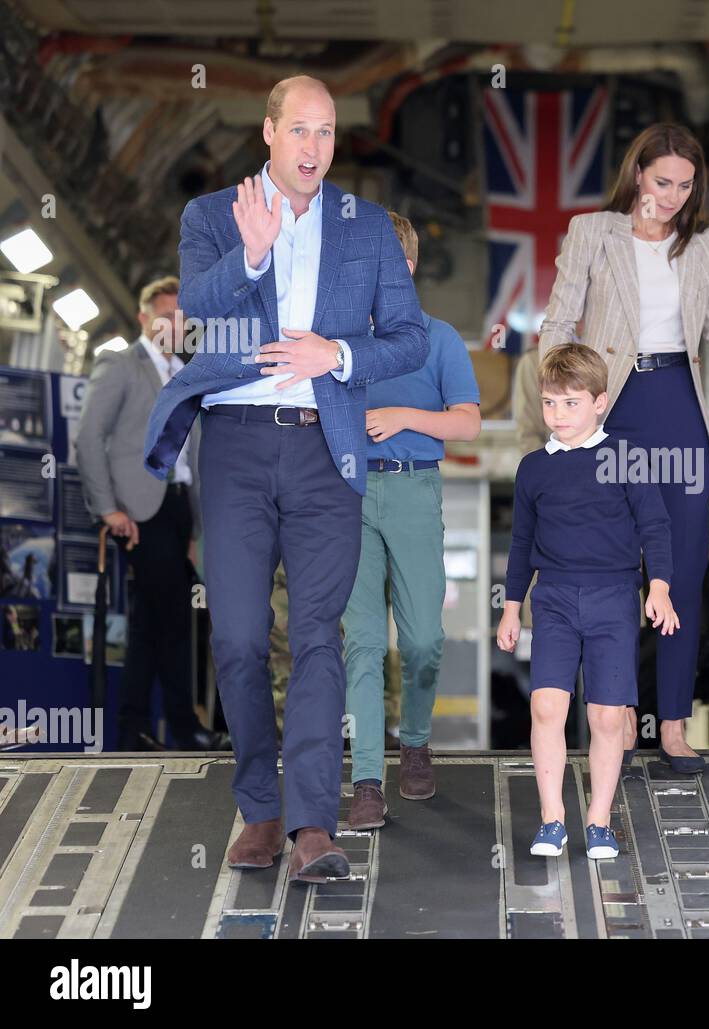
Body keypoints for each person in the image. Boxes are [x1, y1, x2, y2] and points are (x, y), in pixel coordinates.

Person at [143, 76, 428, 884]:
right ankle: (259, 808)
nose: (314, 148)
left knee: (316, 640)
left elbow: (406, 339)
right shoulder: (210, 216)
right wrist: (255, 252)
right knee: (235, 638)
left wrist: (334, 356)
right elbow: (195, 307)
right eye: (299, 130)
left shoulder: (367, 228)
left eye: (328, 132)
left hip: (321, 447)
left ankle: (310, 823)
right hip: (232, 447)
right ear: (268, 133)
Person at [538, 123, 709, 773]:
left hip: (677, 412)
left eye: (686, 187)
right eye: (663, 182)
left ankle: (677, 726)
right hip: (612, 406)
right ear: (637, 174)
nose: (673, 197)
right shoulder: (592, 233)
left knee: (681, 570)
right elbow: (556, 323)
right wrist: (564, 402)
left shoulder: (704, 243)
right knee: (609, 570)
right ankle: (618, 711)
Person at [497, 344, 678, 859]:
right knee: (546, 706)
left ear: (600, 402)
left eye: (571, 403)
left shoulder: (627, 459)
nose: (558, 415)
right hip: (551, 600)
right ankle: (552, 819)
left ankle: (598, 822)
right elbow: (521, 543)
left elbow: (656, 527)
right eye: (550, 403)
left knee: (605, 717)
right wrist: (512, 606)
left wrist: (659, 586)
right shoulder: (533, 468)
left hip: (614, 601)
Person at [342, 212, 481, 830]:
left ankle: (415, 740)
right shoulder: (339, 340)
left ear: (410, 265)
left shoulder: (439, 338)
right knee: (363, 642)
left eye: (391, 261)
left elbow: (468, 422)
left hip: (414, 490)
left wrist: (403, 416)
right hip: (347, 495)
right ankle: (367, 777)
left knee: (424, 640)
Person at [77, 277, 216, 751]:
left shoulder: (187, 373)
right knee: (173, 616)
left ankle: (133, 727)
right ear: (143, 317)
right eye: (164, 316)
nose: (172, 325)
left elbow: (193, 456)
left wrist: (198, 524)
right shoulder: (120, 364)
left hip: (178, 506)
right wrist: (107, 508)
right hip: (138, 510)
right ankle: (180, 727)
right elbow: (89, 438)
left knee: (152, 619)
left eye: (180, 317)